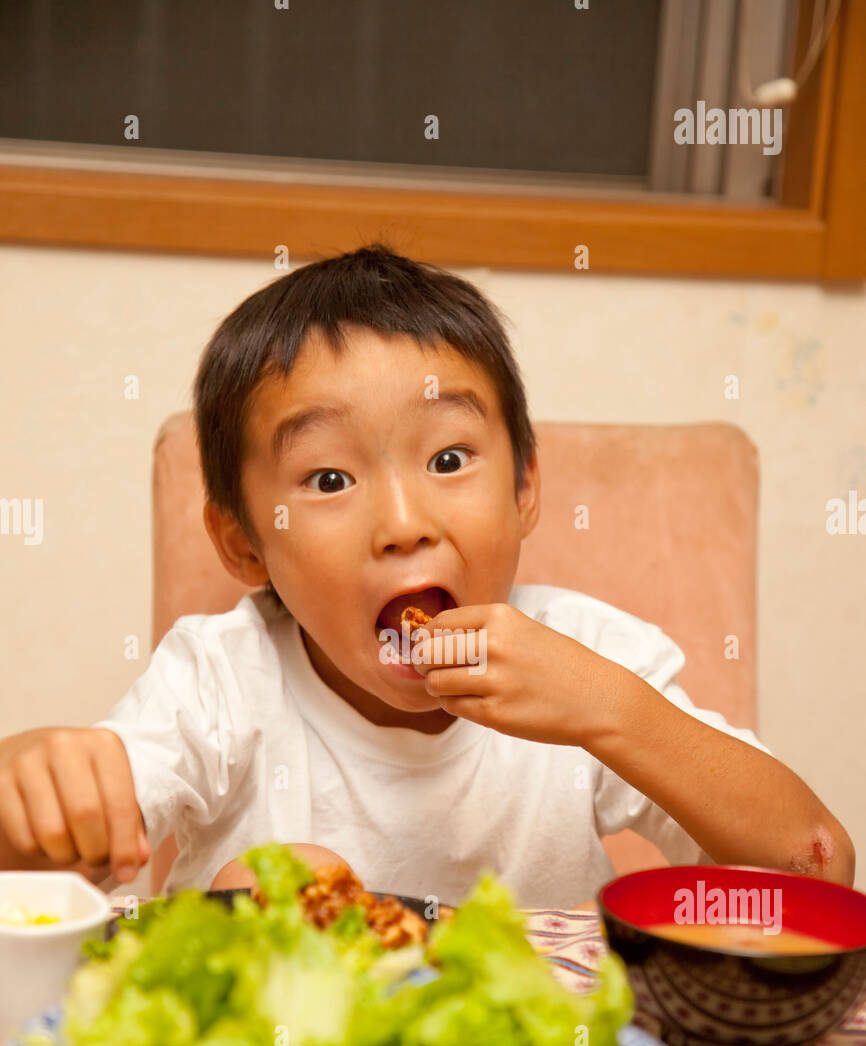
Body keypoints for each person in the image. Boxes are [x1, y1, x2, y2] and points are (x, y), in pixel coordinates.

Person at [0, 245, 854, 905]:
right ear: (244, 544)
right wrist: (35, 790)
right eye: (329, 480)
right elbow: (43, 854)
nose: (405, 525)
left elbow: (814, 866)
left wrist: (612, 710)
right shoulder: (221, 682)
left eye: (449, 457)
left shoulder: (590, 657)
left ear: (524, 487)